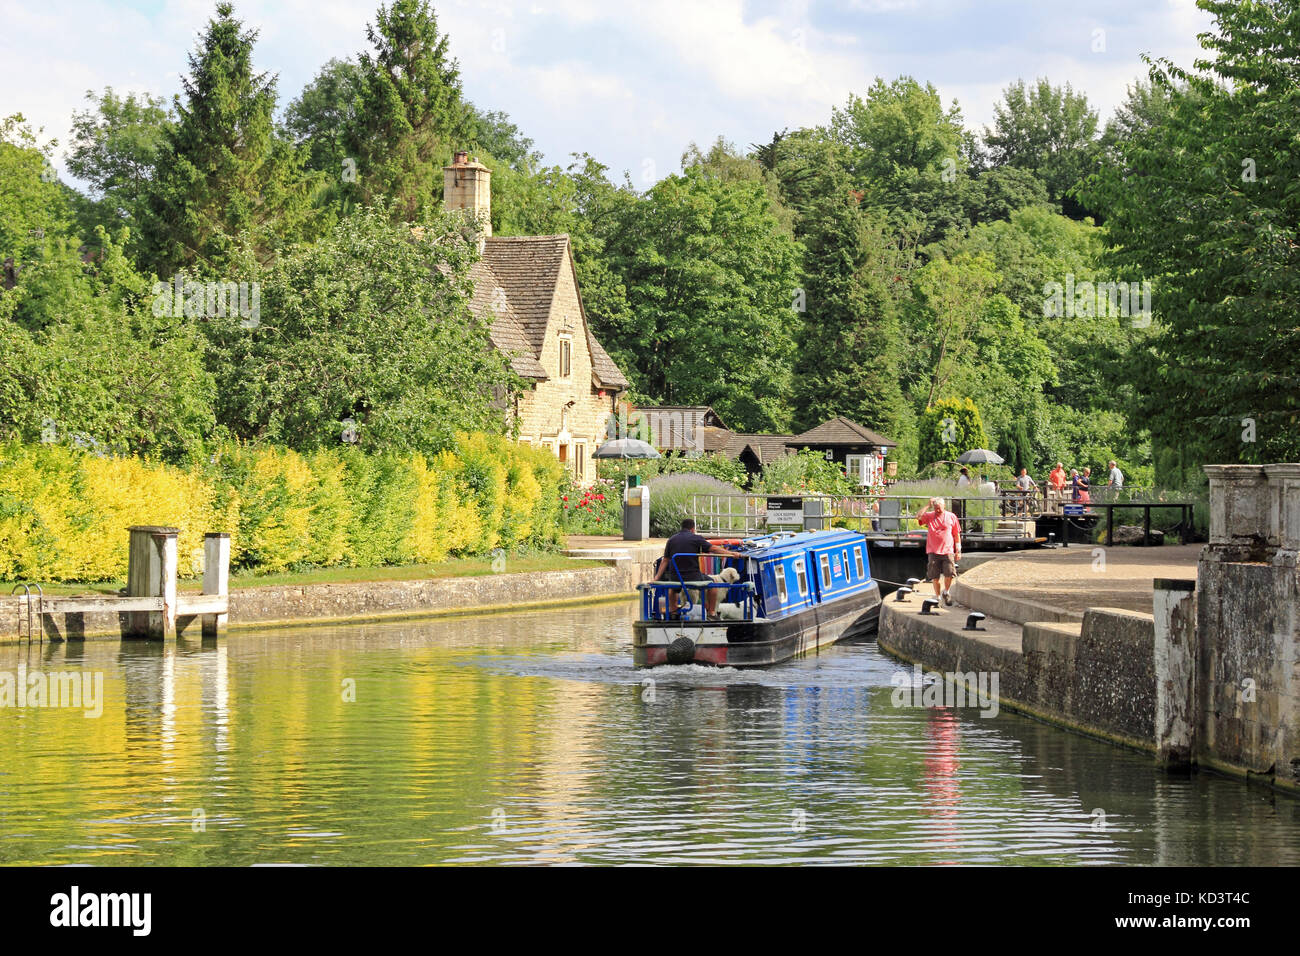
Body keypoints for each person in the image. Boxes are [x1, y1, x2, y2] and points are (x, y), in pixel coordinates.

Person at [654, 519, 745, 619]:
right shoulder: (696, 538)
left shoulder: (671, 539)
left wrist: (656, 578)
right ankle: (711, 613)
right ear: (693, 529)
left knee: (673, 589)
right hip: (692, 576)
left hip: (676, 577)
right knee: (713, 584)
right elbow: (714, 549)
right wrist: (732, 554)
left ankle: (673, 612)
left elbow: (665, 560)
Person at [917, 497, 961, 607]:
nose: (937, 510)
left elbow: (956, 534)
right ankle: (937, 597)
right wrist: (928, 505)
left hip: (948, 550)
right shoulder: (930, 516)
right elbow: (918, 516)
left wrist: (958, 550)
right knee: (934, 577)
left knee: (950, 573)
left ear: (944, 506)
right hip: (933, 550)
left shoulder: (951, 516)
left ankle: (946, 591)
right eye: (936, 508)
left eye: (939, 508)